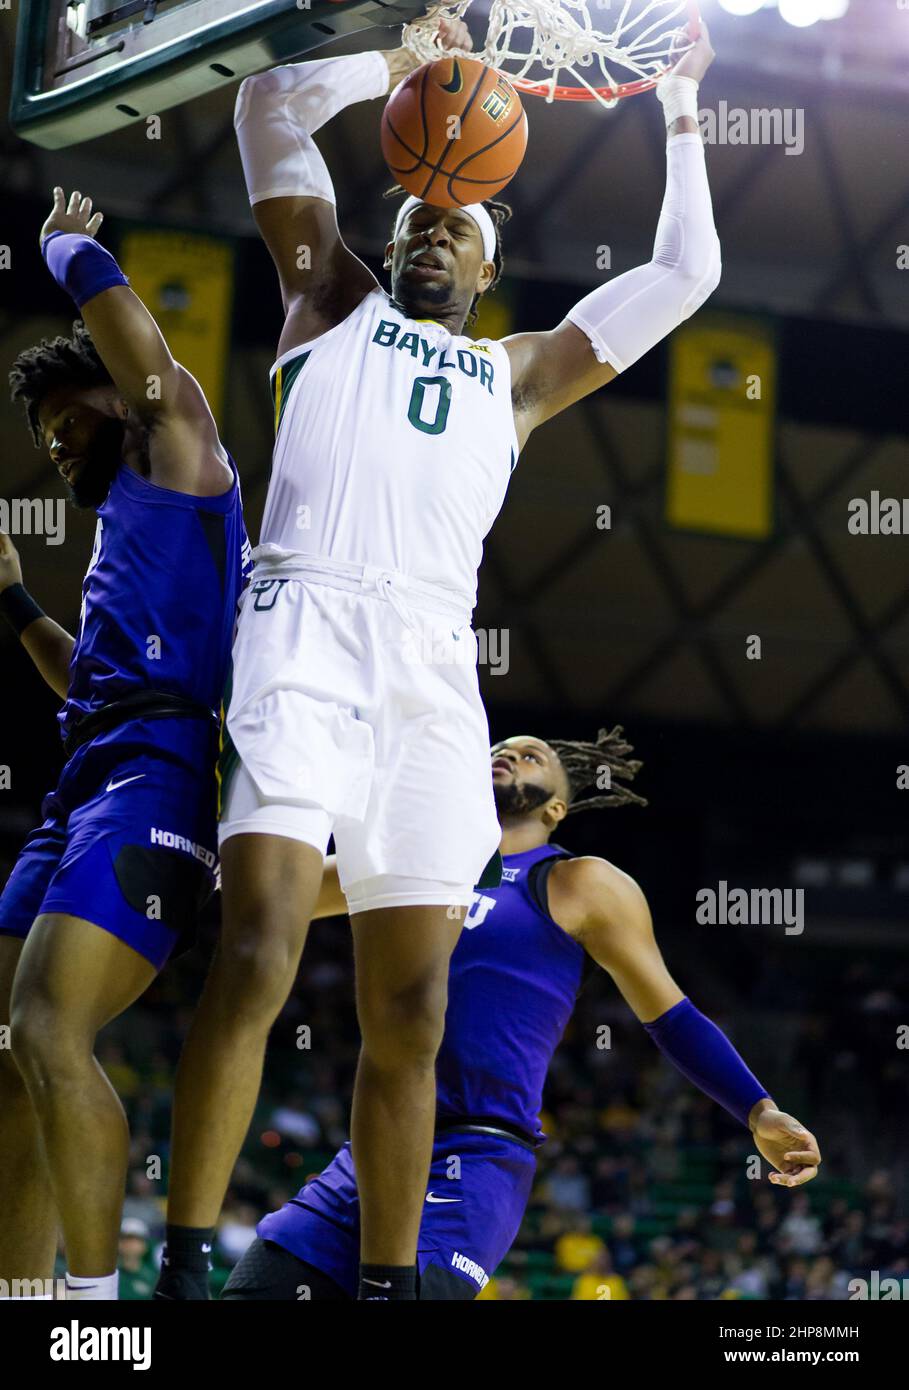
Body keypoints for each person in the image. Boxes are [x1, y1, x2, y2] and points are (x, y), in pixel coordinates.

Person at [158, 15, 722, 1302]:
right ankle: (185, 1263)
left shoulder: (517, 376)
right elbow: (267, 114)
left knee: (408, 1016)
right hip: (305, 622)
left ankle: (384, 1289)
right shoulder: (326, 297)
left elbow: (684, 274)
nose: (427, 232)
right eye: (414, 216)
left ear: (489, 255)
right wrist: (391, 72)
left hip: (429, 663)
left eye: (451, 225)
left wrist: (682, 110)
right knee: (257, 950)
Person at [221, 731, 820, 1300]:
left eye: (529, 756)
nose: (504, 755)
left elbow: (673, 1016)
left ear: (557, 808)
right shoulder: (415, 861)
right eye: (497, 748)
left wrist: (758, 1110)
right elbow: (278, 897)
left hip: (478, 1154)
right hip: (373, 1146)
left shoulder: (577, 882)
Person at [0, 188, 249, 1301]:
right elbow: (82, 684)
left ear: (117, 393)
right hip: (86, 771)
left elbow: (136, 342)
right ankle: (23, 1300)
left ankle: (98, 1320)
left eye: (68, 419)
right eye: (43, 439)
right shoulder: (115, 541)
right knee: (11, 1058)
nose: (56, 445)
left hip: (160, 776)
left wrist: (68, 246)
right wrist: (12, 602)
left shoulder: (178, 444)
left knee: (50, 1028)